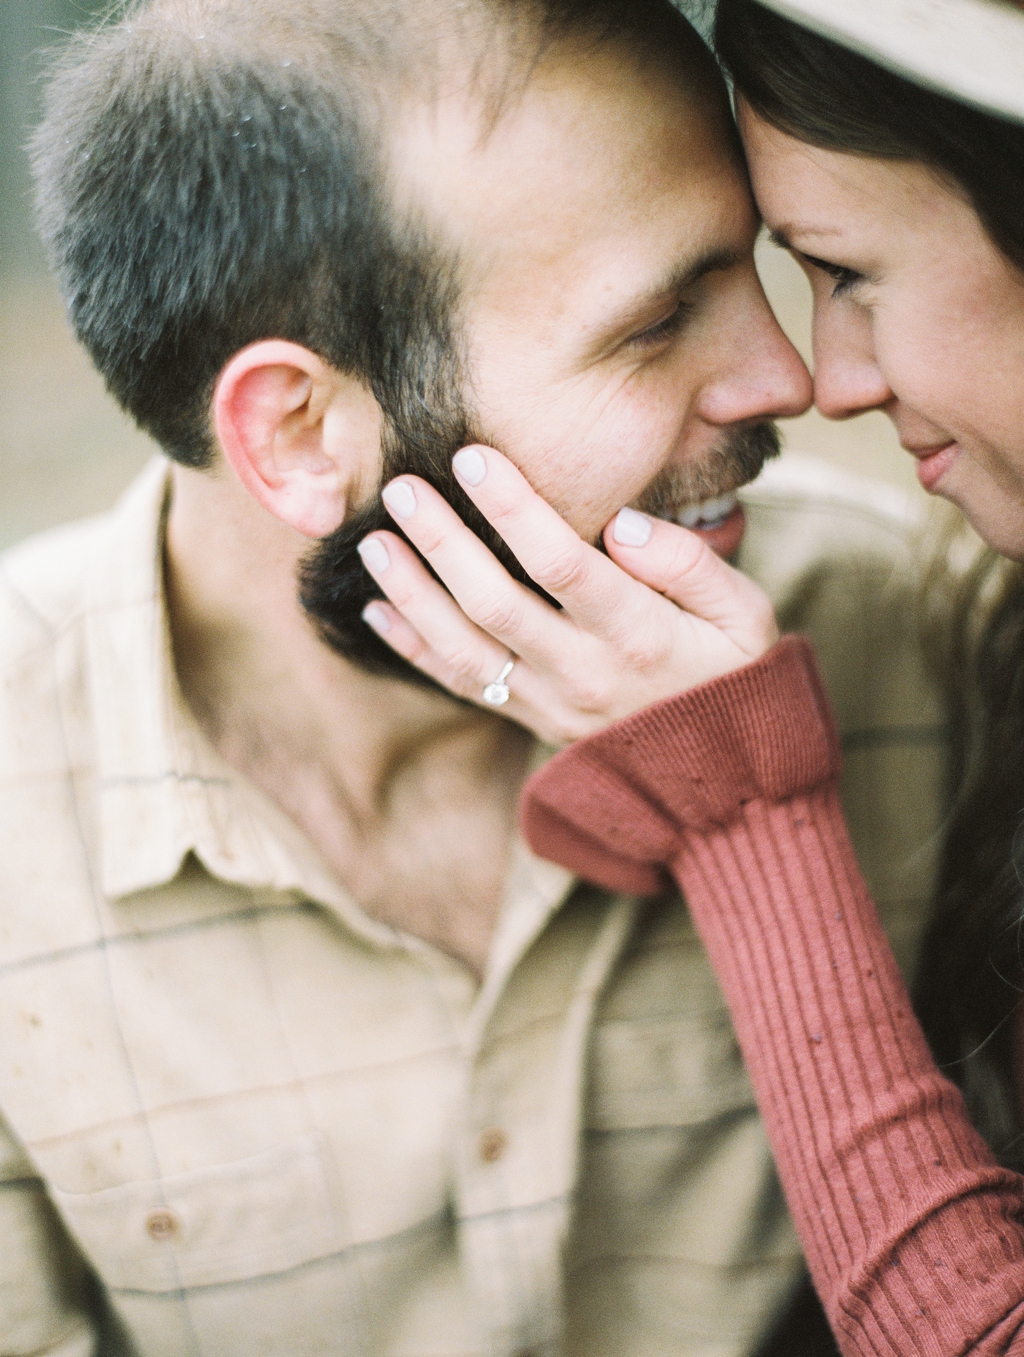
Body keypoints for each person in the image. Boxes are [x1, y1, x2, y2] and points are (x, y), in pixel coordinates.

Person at [0, 0, 954, 1353]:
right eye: (658, 318)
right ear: (298, 429)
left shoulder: (915, 629)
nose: (786, 377)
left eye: (759, 270)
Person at [356, 0, 1024, 1352]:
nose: (814, 381)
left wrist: (746, 813)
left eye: (844, 269)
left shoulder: (906, 623)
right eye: (659, 320)